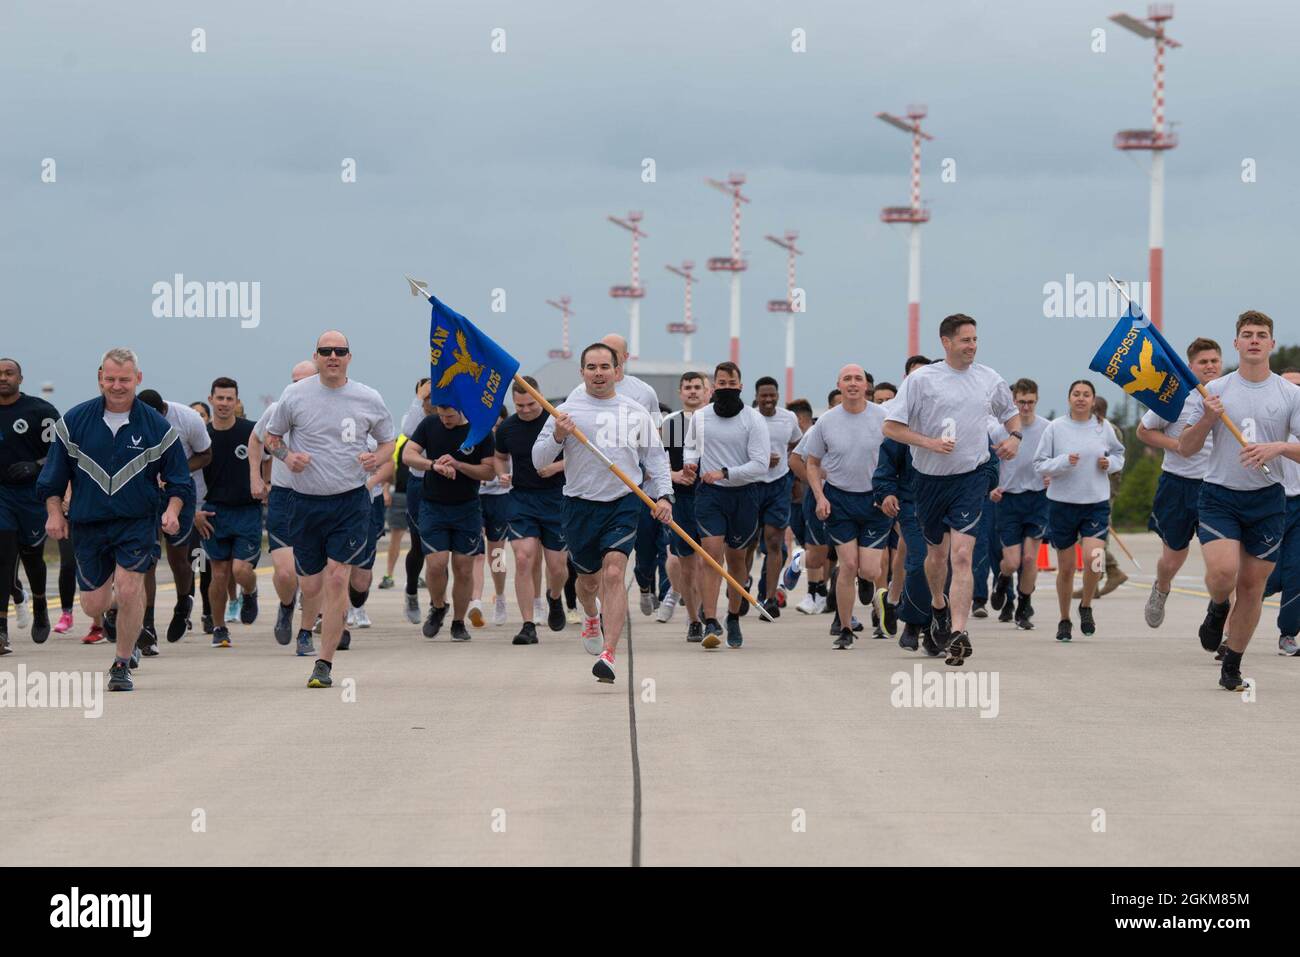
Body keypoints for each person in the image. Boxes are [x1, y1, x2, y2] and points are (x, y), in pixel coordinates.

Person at [36, 348, 192, 691]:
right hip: (89, 523)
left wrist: (173, 511)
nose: (117, 386)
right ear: (99, 379)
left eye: (124, 379)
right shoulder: (74, 422)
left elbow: (180, 480)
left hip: (137, 520)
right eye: (110, 379)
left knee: (130, 585)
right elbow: (51, 477)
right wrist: (53, 514)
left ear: (137, 379)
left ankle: (122, 662)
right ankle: (112, 614)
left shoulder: (157, 427)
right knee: (93, 602)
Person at [883, 315, 1021, 666]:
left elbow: (1012, 415)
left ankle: (959, 632)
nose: (972, 346)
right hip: (928, 481)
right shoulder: (922, 380)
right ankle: (938, 607)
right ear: (946, 342)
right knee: (936, 558)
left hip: (970, 478)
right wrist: (927, 442)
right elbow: (891, 427)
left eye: (975, 339)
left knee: (962, 556)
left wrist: (1015, 438)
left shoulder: (990, 379)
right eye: (965, 340)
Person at [1176, 311, 1300, 690]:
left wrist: (1277, 447)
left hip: (1267, 499)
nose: (1254, 340)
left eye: (1261, 335)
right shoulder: (1214, 391)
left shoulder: (1289, 393)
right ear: (1236, 343)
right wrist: (1206, 421)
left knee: (1251, 586)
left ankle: (1232, 663)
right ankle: (1217, 608)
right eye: (1247, 334)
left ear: (1271, 344)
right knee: (1224, 573)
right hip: (1220, 495)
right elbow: (1185, 446)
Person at [534, 342, 672, 682]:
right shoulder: (565, 411)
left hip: (623, 502)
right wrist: (557, 435)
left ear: (617, 371)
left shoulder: (634, 411)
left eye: (604, 367)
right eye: (591, 367)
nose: (598, 373)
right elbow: (538, 461)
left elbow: (656, 458)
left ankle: (609, 654)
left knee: (613, 574)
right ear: (581, 372)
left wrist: (664, 496)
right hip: (579, 505)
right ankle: (590, 617)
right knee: (588, 581)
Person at [264, 331, 395, 689]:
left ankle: (324, 662)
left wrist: (377, 458)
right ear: (316, 356)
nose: (333, 356)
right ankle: (299, 614)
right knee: (311, 584)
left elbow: (388, 443)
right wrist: (288, 456)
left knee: (338, 576)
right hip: (305, 503)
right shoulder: (295, 395)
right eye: (326, 351)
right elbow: (270, 438)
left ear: (350, 357)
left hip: (350, 501)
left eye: (340, 351)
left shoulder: (368, 397)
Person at [568, 334, 665, 616]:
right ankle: (593, 612)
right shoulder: (578, 394)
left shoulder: (643, 393)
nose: (600, 369)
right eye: (594, 364)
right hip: (585, 492)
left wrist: (663, 478)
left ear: (622, 360)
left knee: (633, 556)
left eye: (610, 357)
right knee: (590, 573)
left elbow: (657, 437)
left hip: (632, 490)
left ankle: (645, 590)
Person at [1135, 338, 1222, 626]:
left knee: (1221, 562)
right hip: (1178, 484)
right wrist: (1178, 445)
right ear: (1190, 366)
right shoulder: (1174, 396)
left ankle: (1219, 613)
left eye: (1214, 361)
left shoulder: (1229, 393)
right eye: (1203, 362)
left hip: (1217, 487)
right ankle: (1161, 588)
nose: (1210, 366)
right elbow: (1143, 432)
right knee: (1173, 557)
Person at [803, 365, 891, 650]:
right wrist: (820, 497)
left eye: (858, 379)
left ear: (867, 386)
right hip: (839, 499)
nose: (853, 384)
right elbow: (812, 463)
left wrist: (892, 491)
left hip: (874, 500)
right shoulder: (826, 422)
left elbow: (900, 457)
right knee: (848, 565)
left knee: (868, 570)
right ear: (839, 385)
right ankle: (844, 628)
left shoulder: (883, 417)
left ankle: (869, 584)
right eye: (847, 379)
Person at [684, 362, 768, 649]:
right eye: (722, 383)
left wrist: (726, 472)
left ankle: (733, 616)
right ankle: (710, 620)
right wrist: (689, 465)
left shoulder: (753, 420)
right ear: (713, 387)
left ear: (741, 386)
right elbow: (690, 448)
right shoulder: (700, 417)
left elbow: (759, 464)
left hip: (744, 495)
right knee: (711, 555)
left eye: (732, 383)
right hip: (710, 495)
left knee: (736, 560)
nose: (727, 387)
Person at [1034, 380, 1124, 641]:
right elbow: (1040, 464)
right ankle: (1064, 619)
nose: (1081, 399)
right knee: (1066, 568)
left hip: (1095, 502)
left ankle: (1086, 605)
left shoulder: (1102, 427)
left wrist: (1110, 463)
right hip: (1062, 503)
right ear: (1069, 398)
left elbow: (1120, 455)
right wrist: (1063, 462)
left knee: (1094, 558)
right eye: (1076, 394)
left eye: (1086, 395)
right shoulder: (1055, 428)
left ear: (1094, 400)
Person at [403, 404, 496, 642]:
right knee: (436, 563)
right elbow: (408, 455)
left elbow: (488, 472)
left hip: (466, 508)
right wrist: (432, 465)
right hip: (433, 506)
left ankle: (458, 621)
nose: (445, 420)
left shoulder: (480, 430)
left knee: (464, 568)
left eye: (450, 416)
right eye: (441, 415)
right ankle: (438, 606)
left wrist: (458, 465)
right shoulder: (430, 424)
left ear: (462, 410)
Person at [249, 360, 318, 647]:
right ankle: (287, 605)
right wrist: (255, 477)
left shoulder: (333, 411)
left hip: (319, 498)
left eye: (303, 381)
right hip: (283, 496)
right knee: (287, 572)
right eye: (293, 381)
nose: (296, 387)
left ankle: (305, 633)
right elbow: (256, 440)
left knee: (314, 576)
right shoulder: (276, 410)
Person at [496, 376, 568, 645]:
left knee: (557, 566)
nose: (525, 410)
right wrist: (502, 474)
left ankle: (555, 597)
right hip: (522, 499)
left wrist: (555, 467)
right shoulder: (508, 428)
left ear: (540, 396)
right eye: (519, 405)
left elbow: (578, 456)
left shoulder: (557, 421)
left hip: (555, 498)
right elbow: (500, 457)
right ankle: (528, 624)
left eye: (530, 404)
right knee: (524, 558)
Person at [197, 377, 262, 648]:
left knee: (241, 570)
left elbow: (267, 460)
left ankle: (250, 591)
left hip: (247, 510)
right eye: (219, 398)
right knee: (219, 573)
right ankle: (219, 627)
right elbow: (190, 477)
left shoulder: (251, 431)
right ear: (211, 399)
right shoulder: (201, 435)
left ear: (236, 402)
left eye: (229, 399)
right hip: (213, 512)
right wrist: (195, 511)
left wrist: (264, 482)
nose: (224, 403)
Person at [0, 357, 59, 652]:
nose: (3, 378)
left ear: (20, 378)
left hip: (32, 496)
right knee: (3, 559)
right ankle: (1, 631)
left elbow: (61, 453)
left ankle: (39, 605)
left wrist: (35, 465)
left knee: (33, 557)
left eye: (9, 373)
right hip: (2, 496)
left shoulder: (41, 411)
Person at [989, 378, 1050, 629]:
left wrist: (1052, 474)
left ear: (1036, 401)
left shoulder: (1048, 428)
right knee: (1012, 561)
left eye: (1030, 403)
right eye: (1021, 402)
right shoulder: (999, 430)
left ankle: (1024, 605)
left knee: (1028, 559)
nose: (1026, 407)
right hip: (1008, 499)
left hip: (1037, 498)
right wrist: (991, 487)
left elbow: (1056, 460)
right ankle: (1003, 578)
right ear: (1014, 402)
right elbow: (986, 463)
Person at [659, 372, 709, 640]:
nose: (692, 391)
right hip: (681, 500)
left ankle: (709, 613)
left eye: (697, 387)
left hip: (712, 498)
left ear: (707, 391)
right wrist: (674, 476)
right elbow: (656, 462)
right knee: (688, 565)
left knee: (708, 564)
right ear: (680, 392)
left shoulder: (715, 421)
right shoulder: (670, 423)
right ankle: (694, 619)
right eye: (687, 387)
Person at [749, 376, 803, 619]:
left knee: (774, 541)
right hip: (751, 484)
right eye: (764, 396)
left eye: (772, 395)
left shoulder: (788, 418)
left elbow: (797, 444)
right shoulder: (747, 417)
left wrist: (793, 476)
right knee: (747, 542)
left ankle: (770, 599)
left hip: (779, 484)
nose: (768, 400)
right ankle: (740, 590)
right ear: (757, 396)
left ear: (778, 395)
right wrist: (759, 457)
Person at [1263, 368, 1300, 655]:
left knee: (1296, 572)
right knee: (1266, 576)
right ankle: (1229, 615)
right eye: (1289, 386)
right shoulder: (1267, 423)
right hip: (1270, 502)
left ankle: (1288, 634)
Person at [472, 408, 512, 628]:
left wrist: (506, 477)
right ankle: (476, 601)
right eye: (491, 425)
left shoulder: (507, 439)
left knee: (496, 554)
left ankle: (500, 597)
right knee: (475, 554)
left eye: (498, 425)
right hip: (475, 500)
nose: (494, 429)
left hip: (499, 499)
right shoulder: (477, 436)